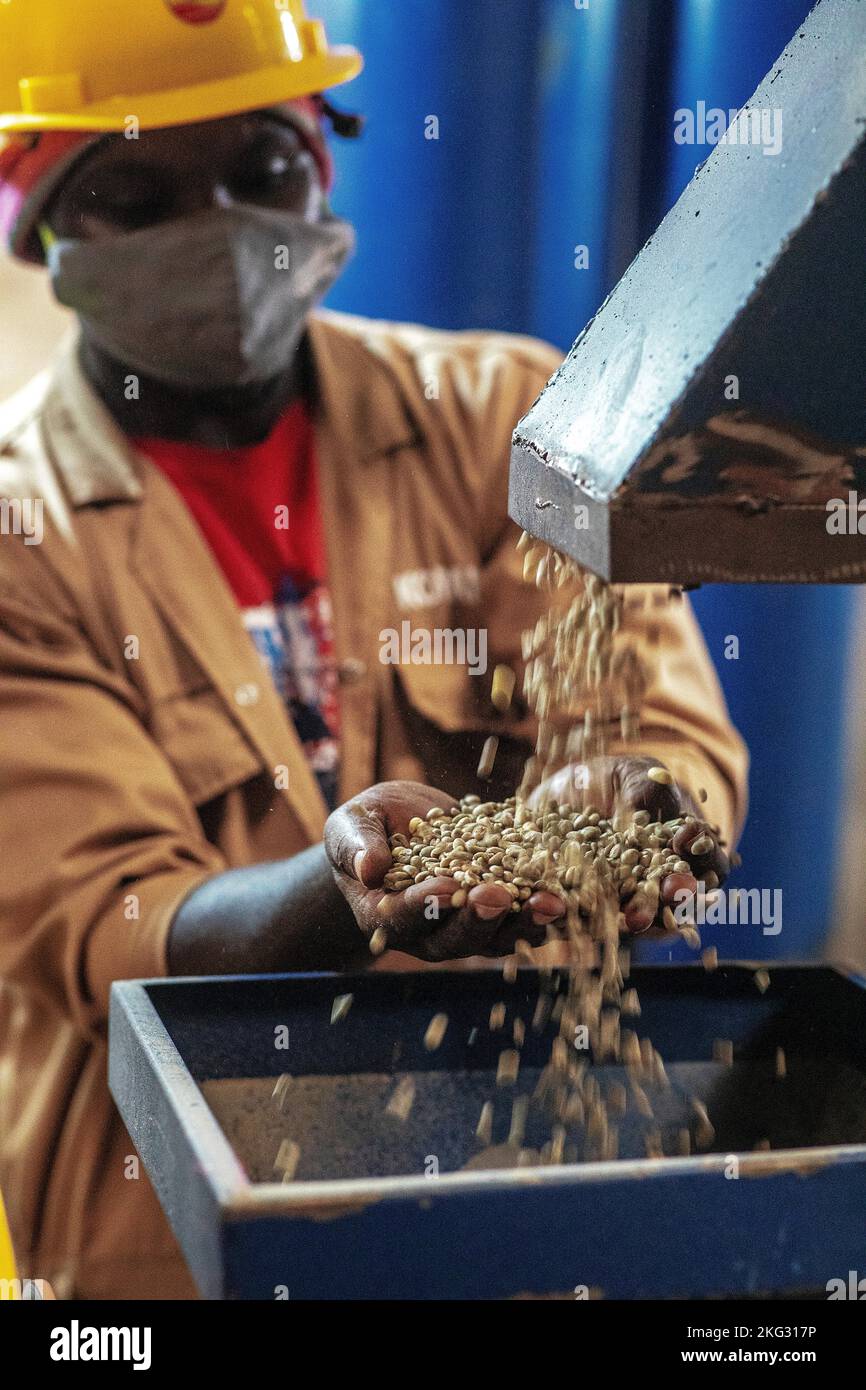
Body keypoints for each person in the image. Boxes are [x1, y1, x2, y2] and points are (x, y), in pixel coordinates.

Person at [0, 0, 747, 1299]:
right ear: (39, 226)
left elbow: (659, 723)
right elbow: (104, 916)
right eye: (136, 189)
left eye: (260, 169)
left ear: (321, 166)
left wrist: (635, 798)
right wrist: (340, 891)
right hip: (164, 1237)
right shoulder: (21, 536)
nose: (223, 225)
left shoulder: (510, 421)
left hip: (506, 1175)